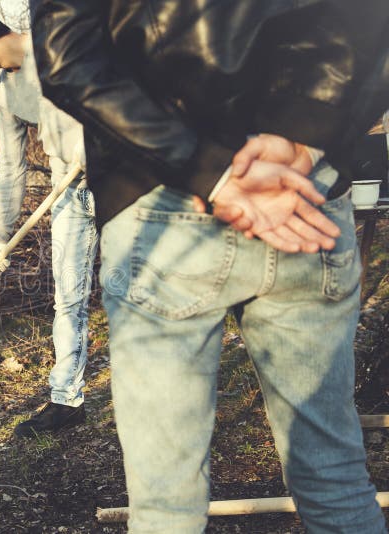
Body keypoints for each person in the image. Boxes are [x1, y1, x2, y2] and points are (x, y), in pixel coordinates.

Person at [29, 0, 389, 532]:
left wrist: (210, 169)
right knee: (334, 477)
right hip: (304, 190)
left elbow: (66, 54)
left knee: (166, 506)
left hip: (164, 198)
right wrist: (305, 138)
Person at [0, 2, 98, 438]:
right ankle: (67, 402)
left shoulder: (61, 46)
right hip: (68, 194)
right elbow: (13, 170)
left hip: (120, 183)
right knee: (68, 300)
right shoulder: (4, 93)